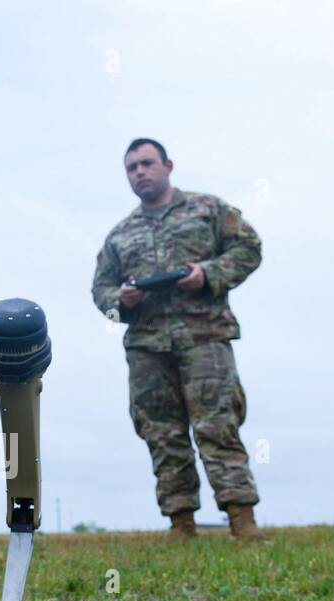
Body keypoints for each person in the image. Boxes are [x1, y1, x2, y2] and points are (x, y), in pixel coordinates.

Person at [92, 137, 267, 541]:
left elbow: (249, 247)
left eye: (147, 163)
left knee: (218, 424)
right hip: (147, 347)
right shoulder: (120, 235)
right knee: (161, 432)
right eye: (132, 167)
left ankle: (243, 520)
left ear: (167, 166)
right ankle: (181, 523)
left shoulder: (208, 210)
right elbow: (100, 291)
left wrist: (208, 273)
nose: (140, 172)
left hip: (205, 339)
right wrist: (123, 298)